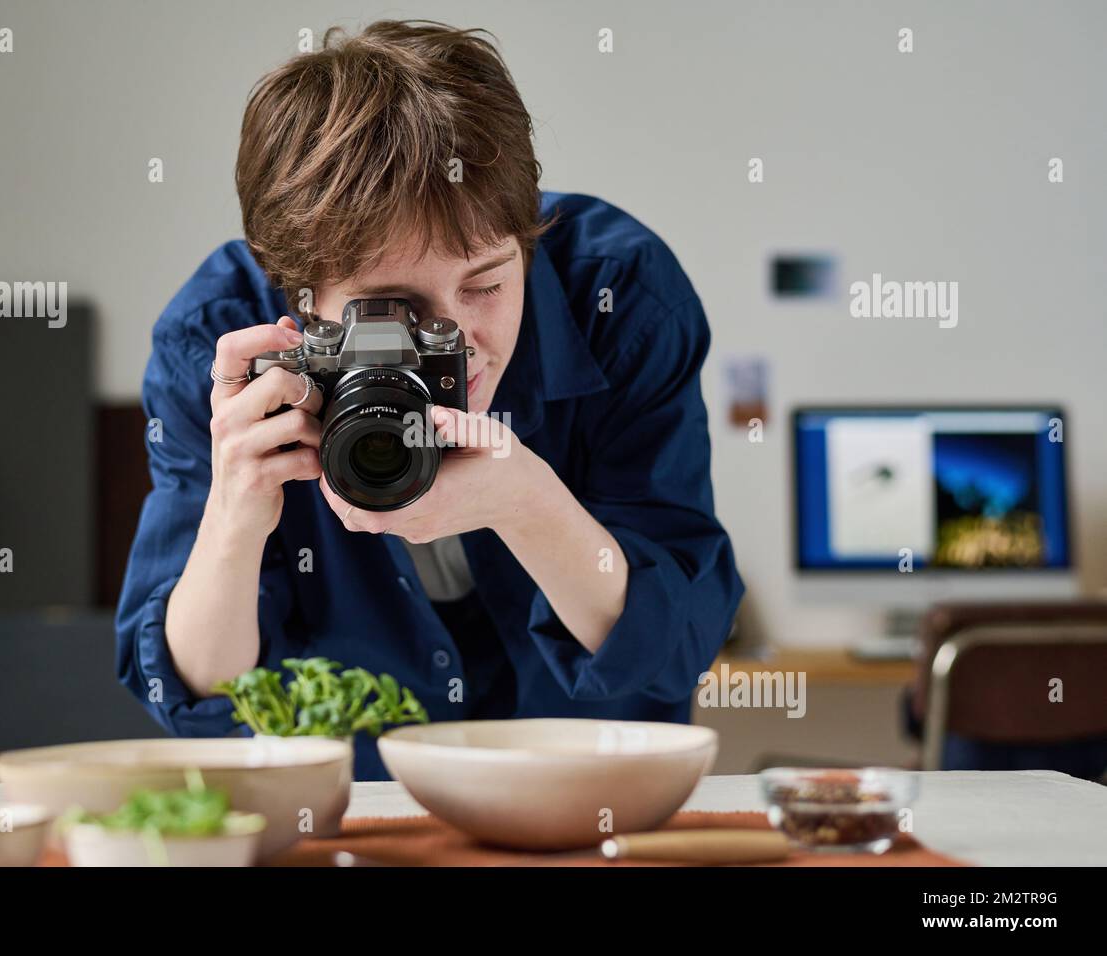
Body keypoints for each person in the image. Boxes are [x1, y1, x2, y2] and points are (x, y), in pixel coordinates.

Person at [116, 20, 744, 780]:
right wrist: (234, 516)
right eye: (393, 306)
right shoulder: (218, 339)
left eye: (486, 283)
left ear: (527, 241)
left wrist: (531, 505)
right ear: (299, 300)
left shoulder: (622, 300)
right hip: (359, 808)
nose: (460, 338)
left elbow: (678, 641)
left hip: (588, 793)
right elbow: (191, 696)